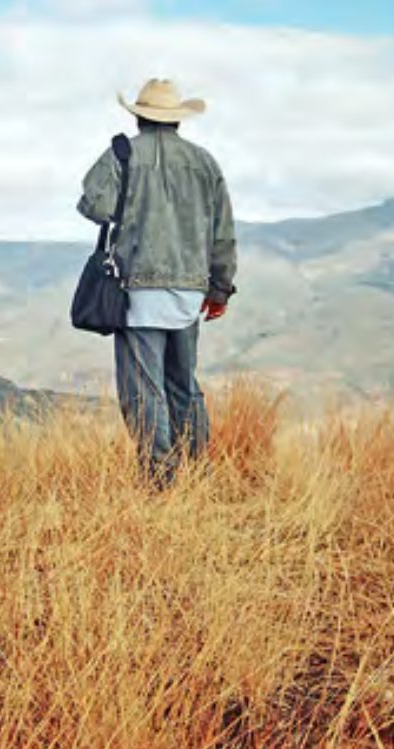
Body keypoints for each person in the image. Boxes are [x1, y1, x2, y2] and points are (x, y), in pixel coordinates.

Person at [76, 78, 237, 487]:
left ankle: (160, 482)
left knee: (144, 390)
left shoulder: (122, 154)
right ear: (178, 119)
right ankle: (197, 473)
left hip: (138, 291)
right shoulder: (204, 163)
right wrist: (220, 289)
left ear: (139, 116)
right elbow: (222, 232)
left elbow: (93, 206)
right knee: (183, 384)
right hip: (189, 291)